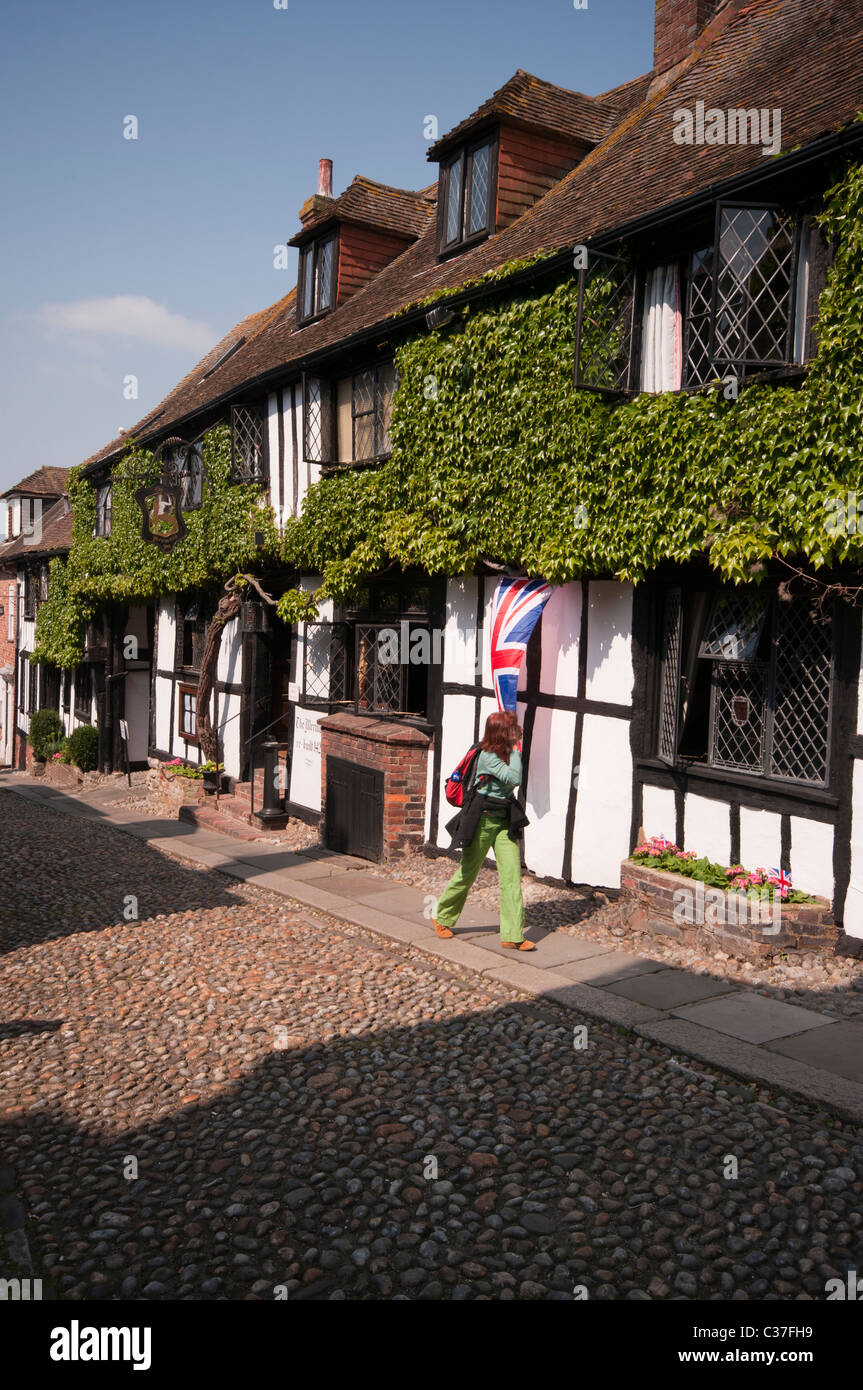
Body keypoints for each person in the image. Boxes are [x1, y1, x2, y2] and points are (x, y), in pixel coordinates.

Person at [432, 709, 535, 951]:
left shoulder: (506, 752)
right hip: (481, 821)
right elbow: (515, 778)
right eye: (512, 729)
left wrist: (513, 748)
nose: (517, 731)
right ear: (502, 734)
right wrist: (517, 749)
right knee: (467, 874)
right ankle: (442, 916)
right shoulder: (488, 757)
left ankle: (512, 934)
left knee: (511, 877)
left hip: (503, 822)